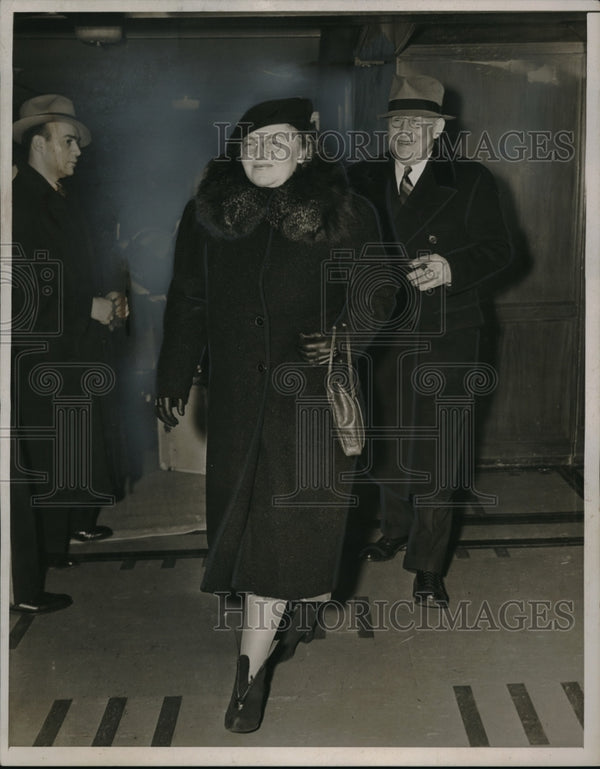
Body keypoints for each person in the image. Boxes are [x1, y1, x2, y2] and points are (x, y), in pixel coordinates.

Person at [155, 97, 394, 732]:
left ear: (306, 150)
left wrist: (346, 335)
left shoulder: (347, 213)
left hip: (312, 397)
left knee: (291, 529)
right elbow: (189, 299)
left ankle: (251, 676)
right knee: (262, 530)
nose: (263, 154)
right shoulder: (209, 217)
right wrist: (172, 374)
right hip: (239, 401)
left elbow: (379, 289)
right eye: (252, 143)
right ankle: (284, 623)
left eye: (279, 143)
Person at [348, 71, 513, 607]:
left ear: (438, 130)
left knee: (442, 446)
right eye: (398, 121)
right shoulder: (359, 178)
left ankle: (428, 563)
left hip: (450, 331)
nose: (406, 131)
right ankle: (395, 529)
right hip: (381, 332)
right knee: (387, 437)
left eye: (418, 122)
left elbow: (501, 250)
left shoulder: (471, 179)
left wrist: (451, 266)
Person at [10, 94, 129, 614]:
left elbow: (80, 266)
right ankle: (26, 583)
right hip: (40, 355)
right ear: (38, 143)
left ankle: (54, 550)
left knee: (64, 450)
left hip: (71, 349)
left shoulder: (58, 196)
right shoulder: (20, 204)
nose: (77, 151)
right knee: (36, 463)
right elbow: (24, 290)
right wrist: (89, 307)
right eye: (68, 140)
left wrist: (111, 298)